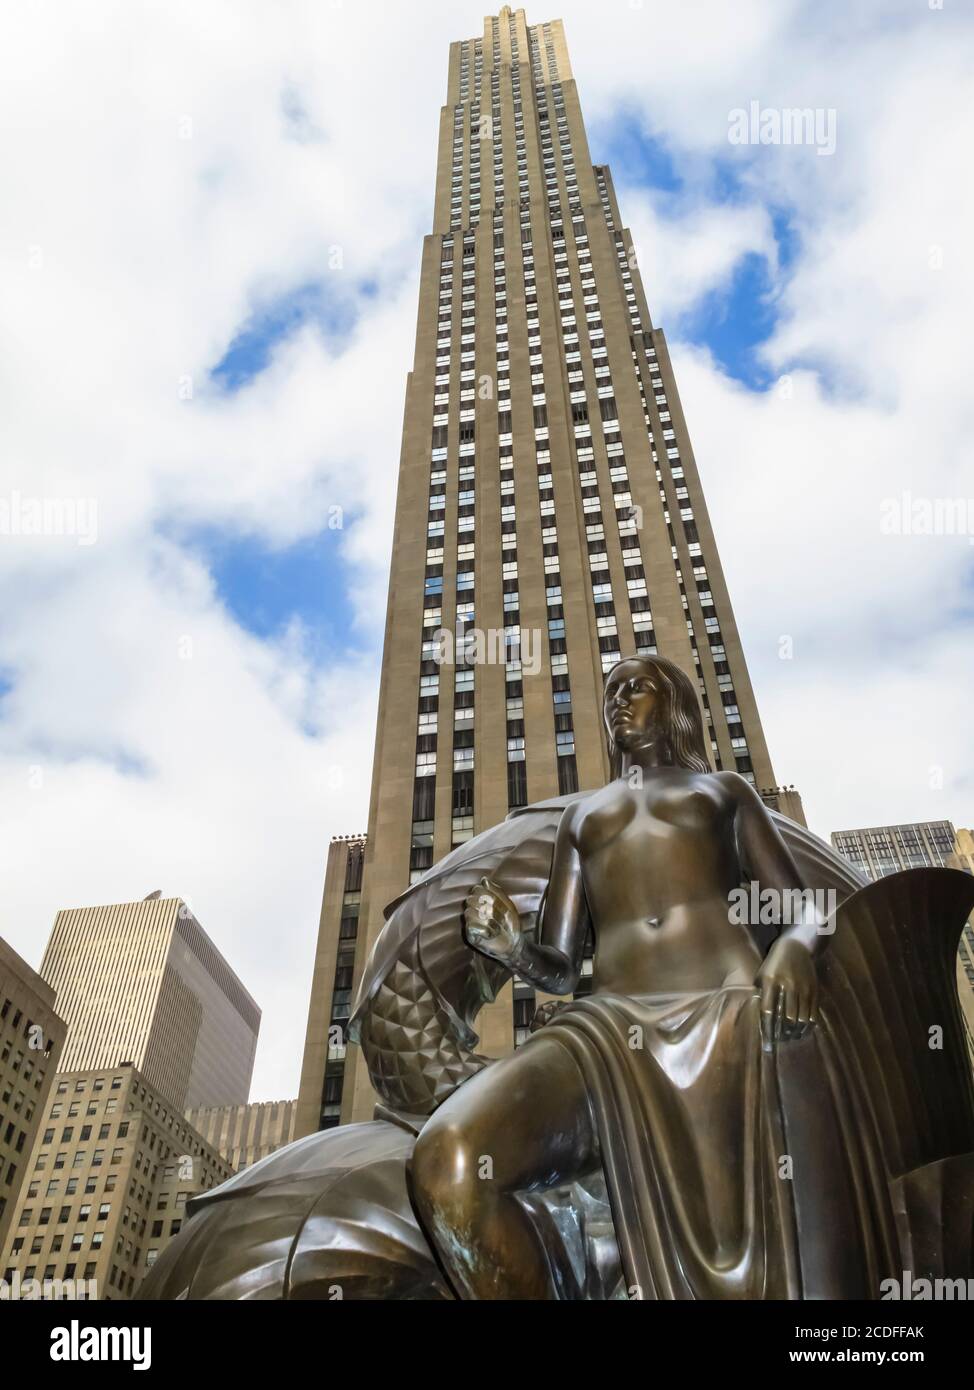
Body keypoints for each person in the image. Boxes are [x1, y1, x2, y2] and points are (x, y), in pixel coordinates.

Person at [408, 655, 875, 1300]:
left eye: (638, 688)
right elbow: (563, 968)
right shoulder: (583, 819)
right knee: (451, 1159)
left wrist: (794, 948)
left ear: (675, 703)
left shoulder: (724, 793)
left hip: (728, 1014)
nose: (620, 700)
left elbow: (808, 910)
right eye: (613, 692)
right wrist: (514, 947)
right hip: (607, 1031)